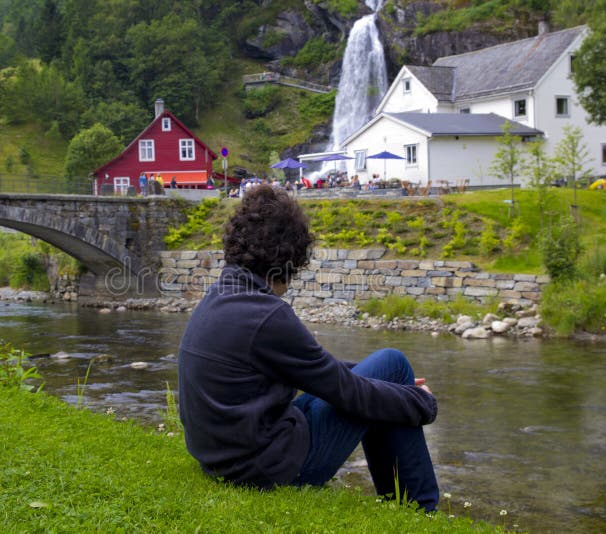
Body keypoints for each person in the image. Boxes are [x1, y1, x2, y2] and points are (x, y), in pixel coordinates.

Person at [178, 184, 439, 511]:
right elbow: (346, 391)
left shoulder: (220, 296)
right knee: (393, 363)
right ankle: (423, 510)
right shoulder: (267, 314)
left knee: (384, 381)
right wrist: (422, 403)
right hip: (264, 467)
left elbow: (318, 371)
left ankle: (406, 503)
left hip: (225, 457)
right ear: (288, 257)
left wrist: (388, 389)